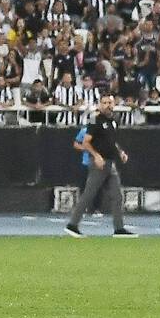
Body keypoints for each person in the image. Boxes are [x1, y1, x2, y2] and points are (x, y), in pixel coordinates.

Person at [65, 93, 136, 237]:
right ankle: (72, 224)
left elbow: (111, 142)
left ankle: (119, 228)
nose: (107, 105)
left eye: (109, 102)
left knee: (117, 196)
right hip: (99, 163)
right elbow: (85, 142)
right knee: (89, 194)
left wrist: (120, 152)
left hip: (110, 162)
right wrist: (96, 156)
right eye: (104, 103)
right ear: (99, 105)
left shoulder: (113, 121)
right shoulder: (95, 120)